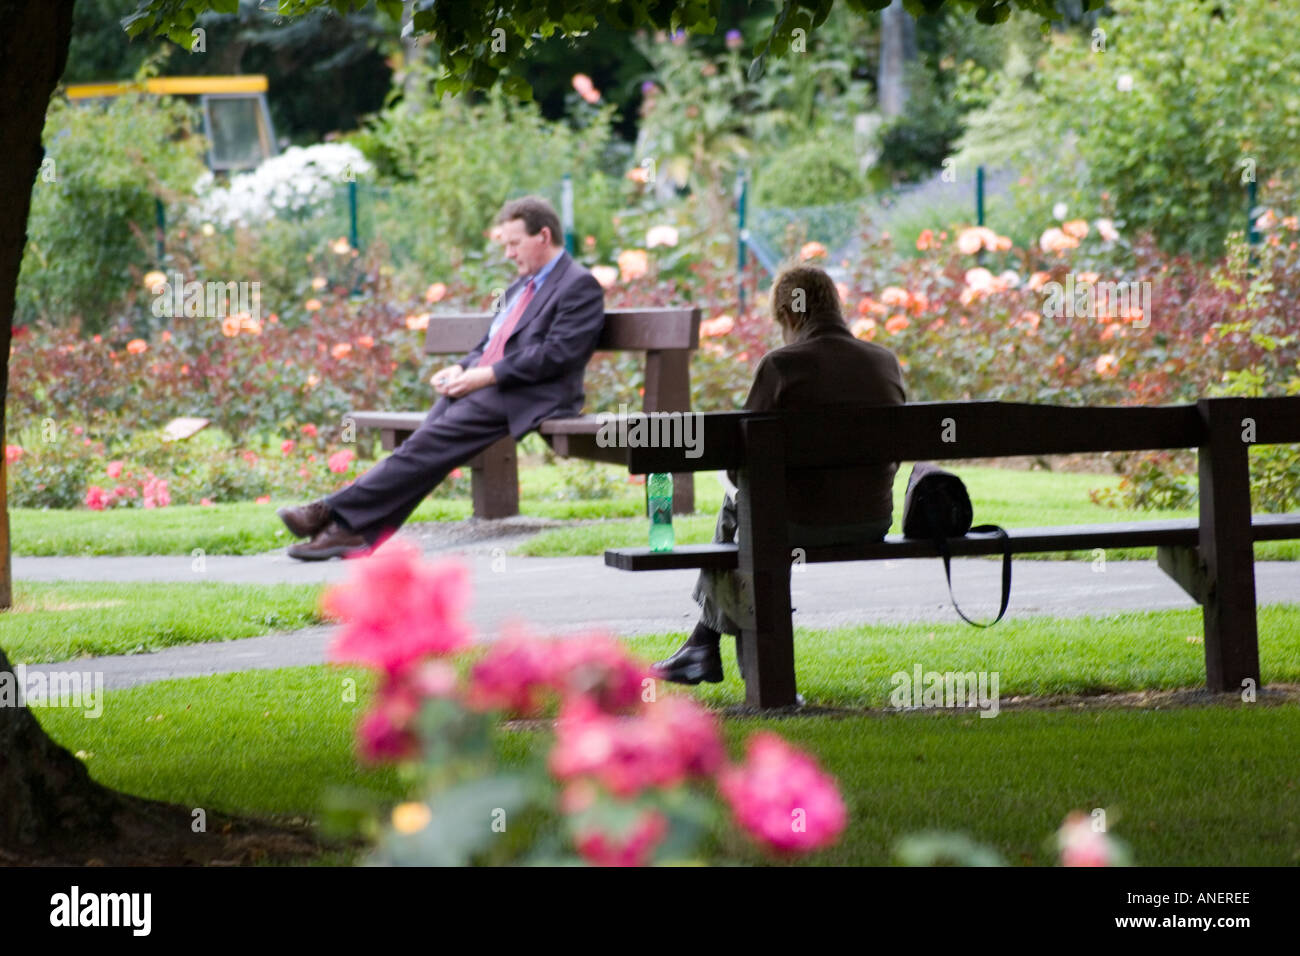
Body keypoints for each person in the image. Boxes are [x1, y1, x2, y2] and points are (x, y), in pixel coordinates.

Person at [277, 196, 606, 559]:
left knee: (424, 448)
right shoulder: (517, 288)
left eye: (515, 243)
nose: (509, 253)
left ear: (543, 236)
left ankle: (332, 512)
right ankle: (351, 534)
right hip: (491, 387)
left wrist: (486, 376)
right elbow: (489, 342)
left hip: (533, 395)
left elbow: (559, 355)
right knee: (422, 451)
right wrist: (463, 368)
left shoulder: (579, 285)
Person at [651, 264, 907, 685]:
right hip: (871, 520)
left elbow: (740, 462)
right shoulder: (885, 361)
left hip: (797, 525)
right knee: (747, 510)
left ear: (790, 315)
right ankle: (701, 645)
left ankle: (706, 646)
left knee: (742, 509)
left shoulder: (781, 366)